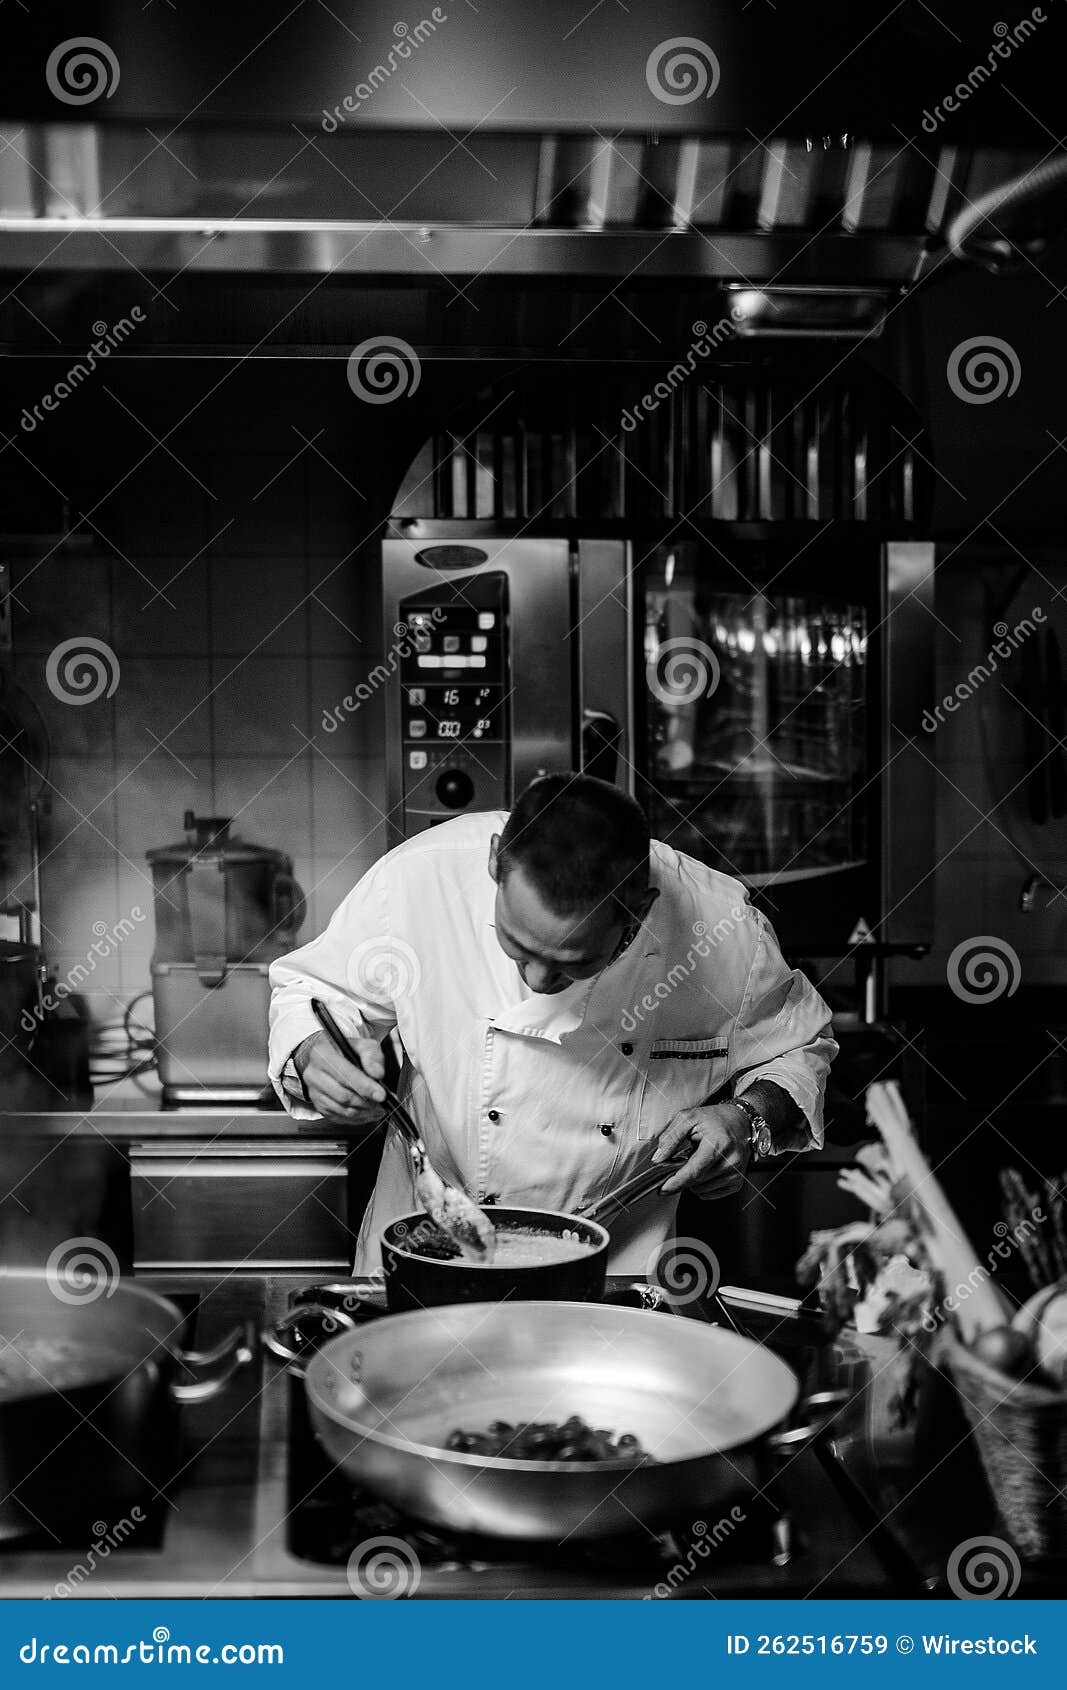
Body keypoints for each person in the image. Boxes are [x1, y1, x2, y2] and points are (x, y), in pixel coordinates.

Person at [268, 774, 836, 1274]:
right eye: (517, 946)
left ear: (637, 915)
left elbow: (800, 1047)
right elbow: (313, 990)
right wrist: (314, 1054)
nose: (539, 980)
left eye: (574, 962)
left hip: (616, 1275)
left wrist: (746, 1118)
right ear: (495, 862)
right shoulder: (420, 881)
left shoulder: (724, 932)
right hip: (428, 1251)